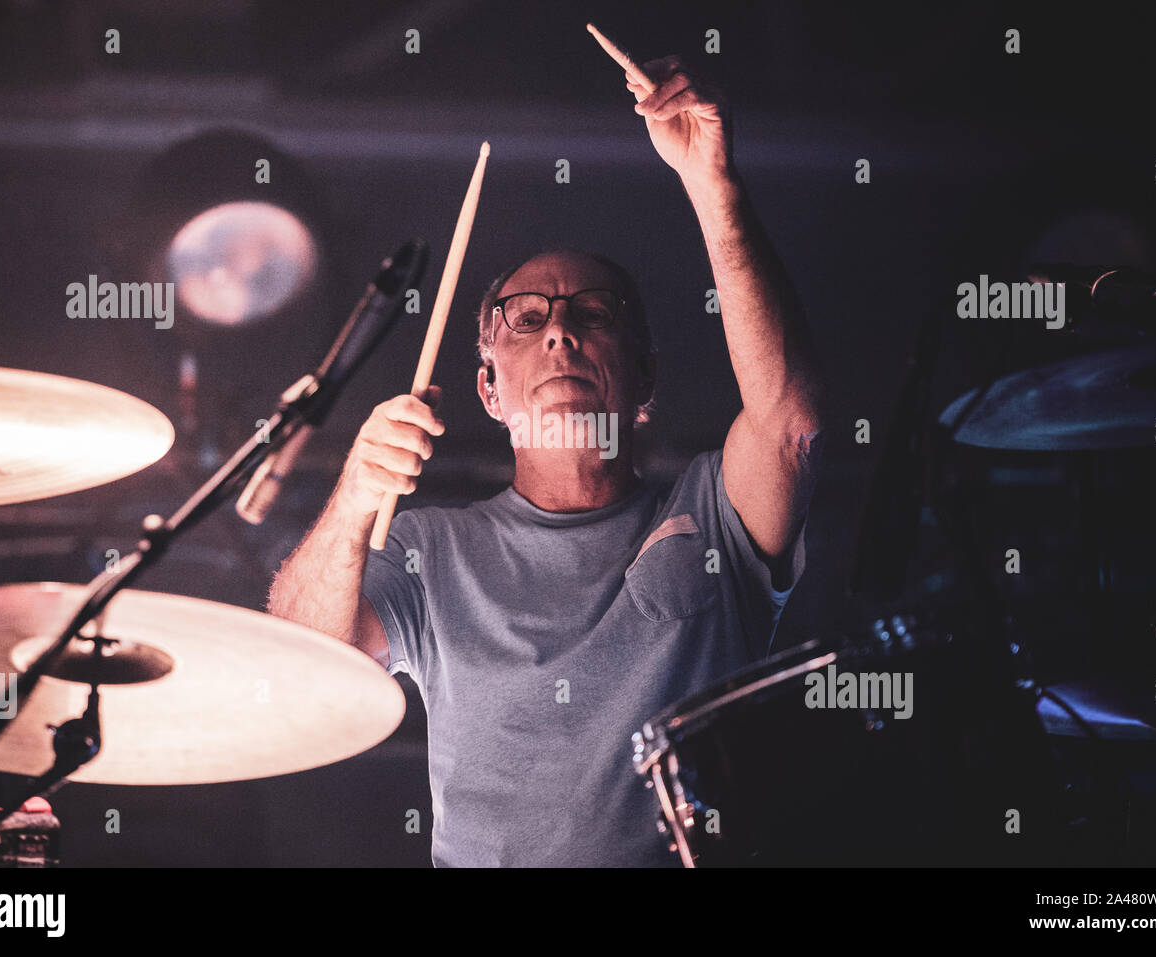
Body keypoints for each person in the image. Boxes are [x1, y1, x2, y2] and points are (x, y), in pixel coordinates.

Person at [267, 53, 824, 866]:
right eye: (525, 319)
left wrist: (714, 186)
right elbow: (303, 666)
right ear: (487, 390)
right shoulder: (429, 550)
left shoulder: (711, 513)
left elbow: (790, 422)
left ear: (644, 376)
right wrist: (355, 496)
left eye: (592, 314)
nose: (560, 331)